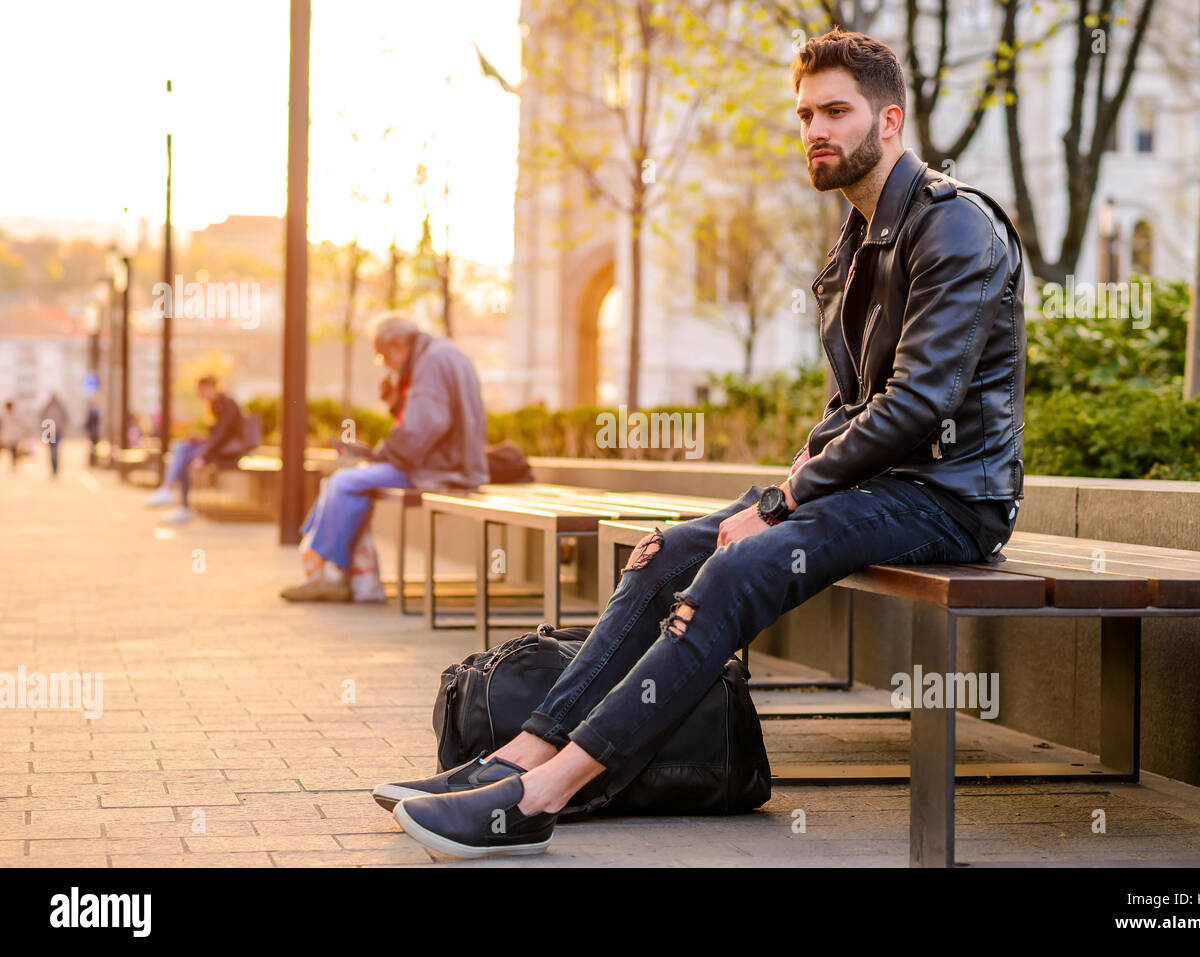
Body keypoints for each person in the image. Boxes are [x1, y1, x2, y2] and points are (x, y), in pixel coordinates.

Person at [377, 28, 1027, 859]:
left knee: (738, 566)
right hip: (875, 486)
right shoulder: (854, 241)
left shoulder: (956, 229)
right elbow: (847, 407)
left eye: (836, 111)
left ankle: (541, 797)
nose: (815, 131)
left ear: (890, 120)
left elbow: (919, 404)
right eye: (804, 116)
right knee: (662, 554)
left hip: (952, 496)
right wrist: (776, 490)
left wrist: (783, 501)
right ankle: (515, 753)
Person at [280, 312, 490, 602]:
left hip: (442, 469)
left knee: (345, 482)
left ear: (397, 344)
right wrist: (395, 407)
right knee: (346, 480)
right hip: (445, 461)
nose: (384, 363)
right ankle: (328, 567)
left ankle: (331, 573)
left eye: (381, 355)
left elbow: (422, 431)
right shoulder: (440, 353)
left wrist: (382, 455)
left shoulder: (431, 362)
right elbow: (431, 422)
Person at [145, 375, 246, 523]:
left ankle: (172, 495)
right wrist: (200, 438)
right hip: (219, 449)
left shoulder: (226, 404)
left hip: (228, 454)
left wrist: (203, 457)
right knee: (181, 447)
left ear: (210, 387)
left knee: (183, 456)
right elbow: (216, 435)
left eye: (201, 391)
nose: (200, 395)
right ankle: (172, 496)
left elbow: (222, 436)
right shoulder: (217, 404)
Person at [38, 393, 68, 477]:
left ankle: (56, 468)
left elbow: (66, 418)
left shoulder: (61, 407)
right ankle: (52, 468)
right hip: (49, 432)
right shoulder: (47, 407)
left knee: (56, 450)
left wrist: (62, 427)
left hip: (58, 432)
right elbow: (41, 417)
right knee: (51, 451)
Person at [0, 400, 23, 469]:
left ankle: (13, 465)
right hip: (6, 436)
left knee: (13, 451)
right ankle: (12, 464)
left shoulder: (16, 414)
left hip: (13, 436)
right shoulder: (3, 414)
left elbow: (20, 425)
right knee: (6, 450)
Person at [85, 395, 102, 467]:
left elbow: (88, 422)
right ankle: (93, 461)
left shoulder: (94, 411)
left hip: (94, 431)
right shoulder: (96, 411)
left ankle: (93, 461)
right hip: (95, 431)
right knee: (94, 447)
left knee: (93, 447)